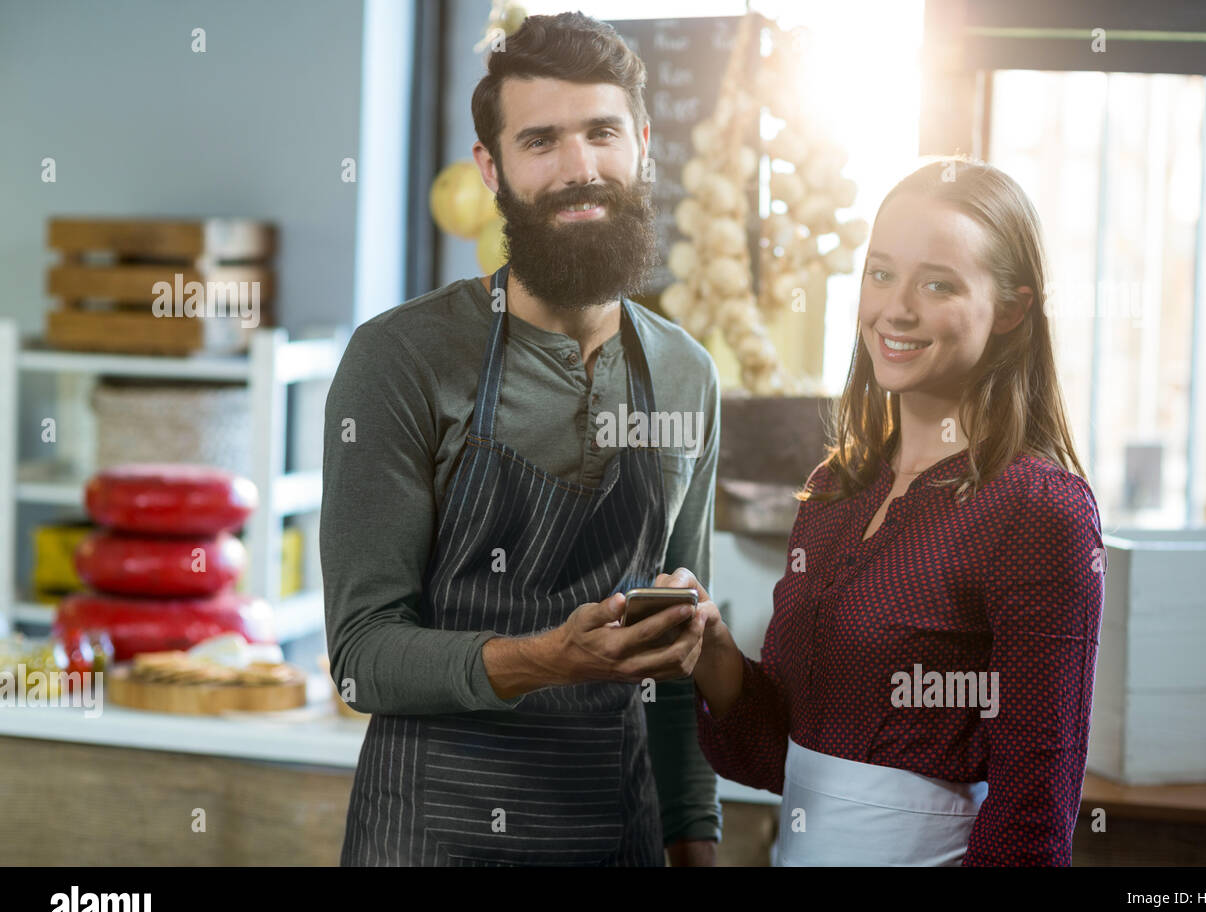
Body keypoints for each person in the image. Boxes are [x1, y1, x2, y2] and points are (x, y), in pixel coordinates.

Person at [321, 12, 721, 867]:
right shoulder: (402, 359)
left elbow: (676, 676)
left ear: (643, 144)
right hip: (429, 835)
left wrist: (694, 845)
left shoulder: (687, 375)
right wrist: (546, 658)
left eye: (602, 133)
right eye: (541, 141)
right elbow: (361, 658)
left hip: (615, 835)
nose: (580, 169)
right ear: (491, 167)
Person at [662, 158, 1105, 866]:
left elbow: (1032, 816)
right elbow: (776, 755)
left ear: (1013, 311)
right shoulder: (835, 489)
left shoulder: (1038, 509)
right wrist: (711, 647)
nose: (896, 309)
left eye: (938, 284)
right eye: (880, 273)